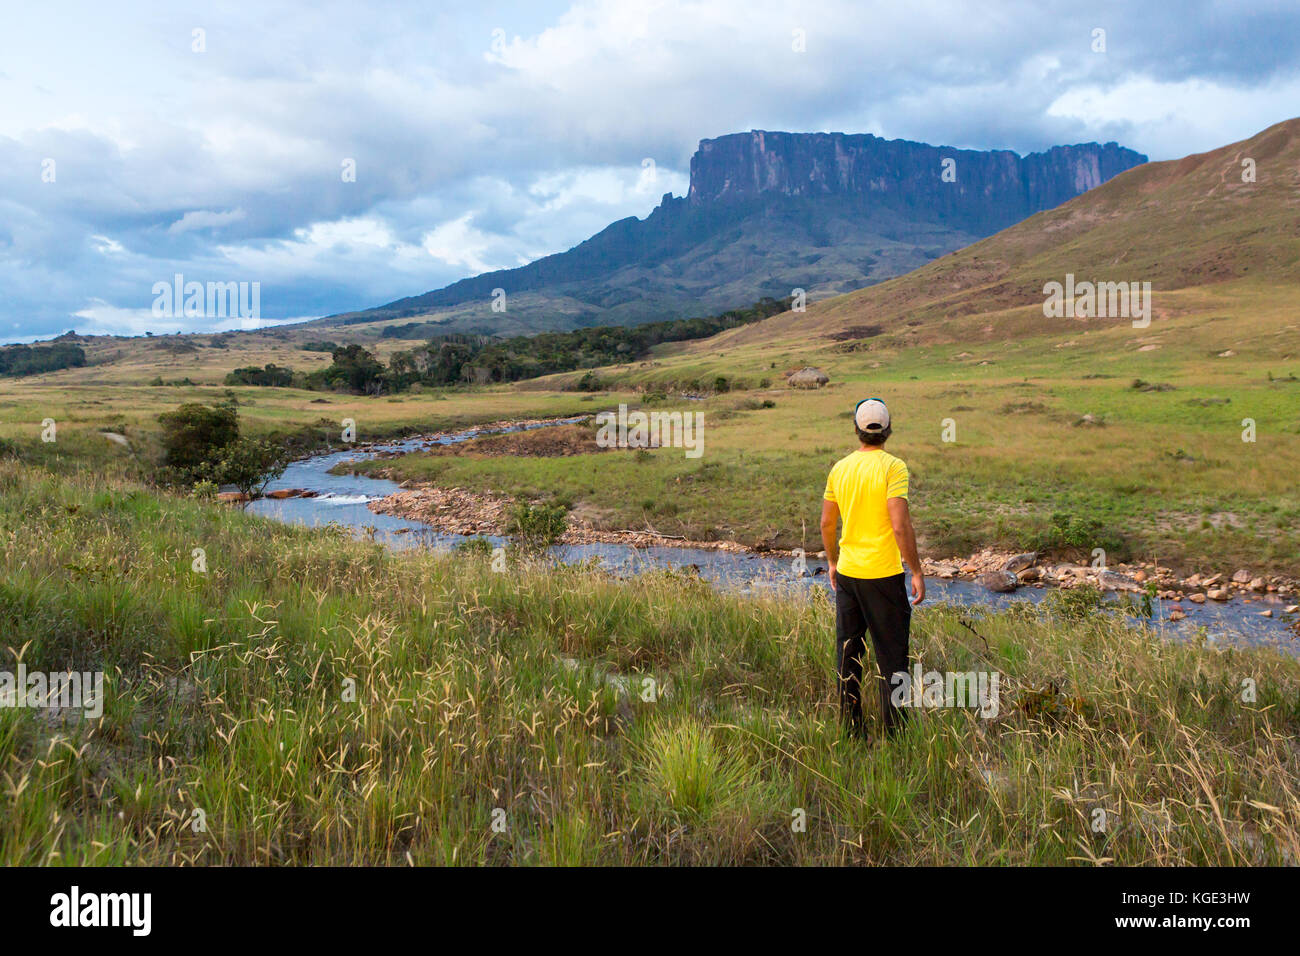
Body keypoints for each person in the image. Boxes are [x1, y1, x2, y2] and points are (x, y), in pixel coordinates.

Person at [820, 397, 924, 739]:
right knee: (893, 658)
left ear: (857, 429)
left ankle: (852, 732)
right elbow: (899, 525)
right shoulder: (894, 467)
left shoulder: (840, 468)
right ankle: (896, 737)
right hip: (883, 575)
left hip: (849, 575)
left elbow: (825, 523)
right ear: (888, 430)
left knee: (848, 655)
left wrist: (833, 562)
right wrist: (917, 570)